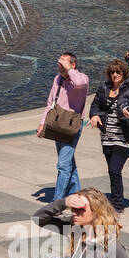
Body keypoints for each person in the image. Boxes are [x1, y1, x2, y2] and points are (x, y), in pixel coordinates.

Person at [87, 59, 129, 212]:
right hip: (107, 136)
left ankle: (117, 205)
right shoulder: (103, 88)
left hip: (125, 137)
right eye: (112, 72)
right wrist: (94, 115)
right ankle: (116, 199)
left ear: (124, 74)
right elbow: (95, 105)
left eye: (118, 72)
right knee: (112, 171)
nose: (115, 75)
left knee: (115, 169)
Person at [36, 52, 88, 201]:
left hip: (72, 124)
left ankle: (57, 201)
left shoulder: (82, 78)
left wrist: (69, 70)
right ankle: (77, 196)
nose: (60, 63)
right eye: (60, 60)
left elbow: (79, 84)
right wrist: (42, 123)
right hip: (57, 122)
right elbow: (50, 103)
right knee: (69, 162)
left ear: (73, 64)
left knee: (63, 165)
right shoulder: (57, 79)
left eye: (64, 61)